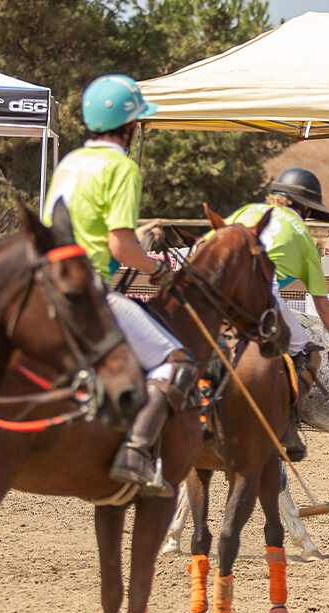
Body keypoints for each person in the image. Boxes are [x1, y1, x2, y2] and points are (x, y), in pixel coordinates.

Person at [42, 74, 192, 497]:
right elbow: (120, 245)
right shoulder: (122, 168)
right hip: (88, 289)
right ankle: (135, 453)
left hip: (45, 281)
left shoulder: (69, 161)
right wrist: (156, 266)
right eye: (137, 125)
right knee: (178, 363)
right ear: (127, 128)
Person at [220, 168, 329, 462]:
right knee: (307, 351)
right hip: (260, 295)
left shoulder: (248, 210)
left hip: (216, 289)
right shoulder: (302, 236)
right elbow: (324, 306)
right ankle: (287, 427)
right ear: (305, 209)